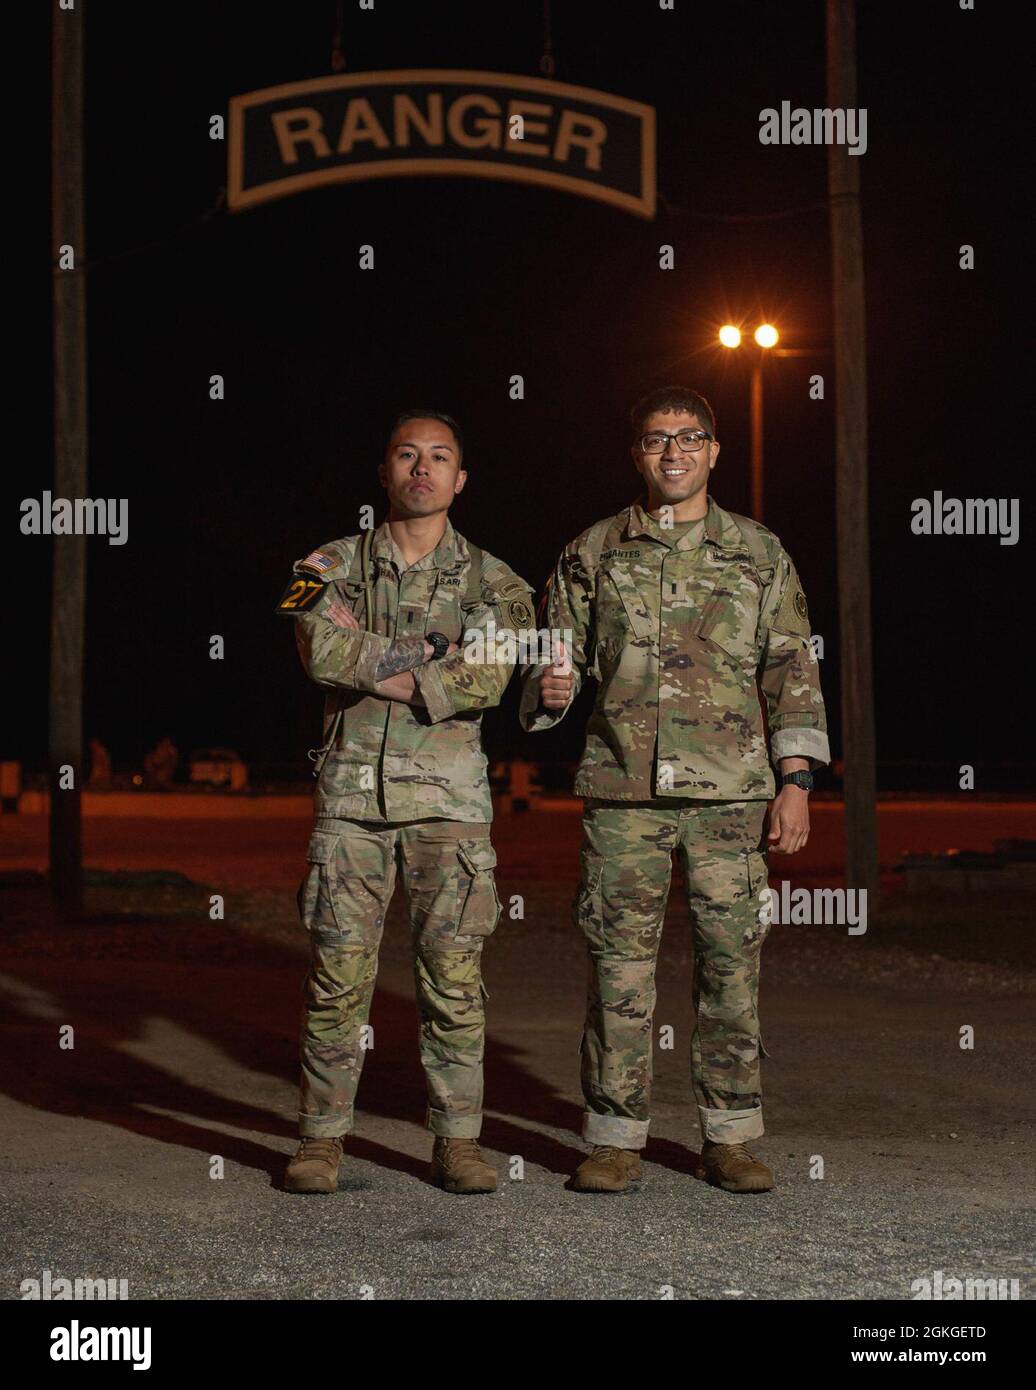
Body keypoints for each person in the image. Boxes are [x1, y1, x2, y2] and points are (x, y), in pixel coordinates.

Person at [520, 385, 830, 1195]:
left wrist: (794, 784)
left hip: (732, 798)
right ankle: (616, 1136)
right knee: (619, 970)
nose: (674, 453)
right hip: (624, 796)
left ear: (714, 451)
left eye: (689, 438)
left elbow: (792, 670)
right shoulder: (593, 553)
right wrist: (545, 693)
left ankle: (728, 1136)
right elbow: (555, 660)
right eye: (658, 439)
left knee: (731, 965)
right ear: (638, 454)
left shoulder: (759, 554)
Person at [278, 409, 533, 1196]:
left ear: (461, 479)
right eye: (406, 455)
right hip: (351, 802)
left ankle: (457, 1141)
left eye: (439, 458)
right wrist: (432, 655)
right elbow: (317, 647)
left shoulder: (500, 582)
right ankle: (321, 1140)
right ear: (384, 472)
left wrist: (377, 663)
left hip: (449, 808)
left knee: (453, 984)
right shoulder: (327, 562)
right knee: (336, 981)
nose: (422, 468)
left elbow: (489, 673)